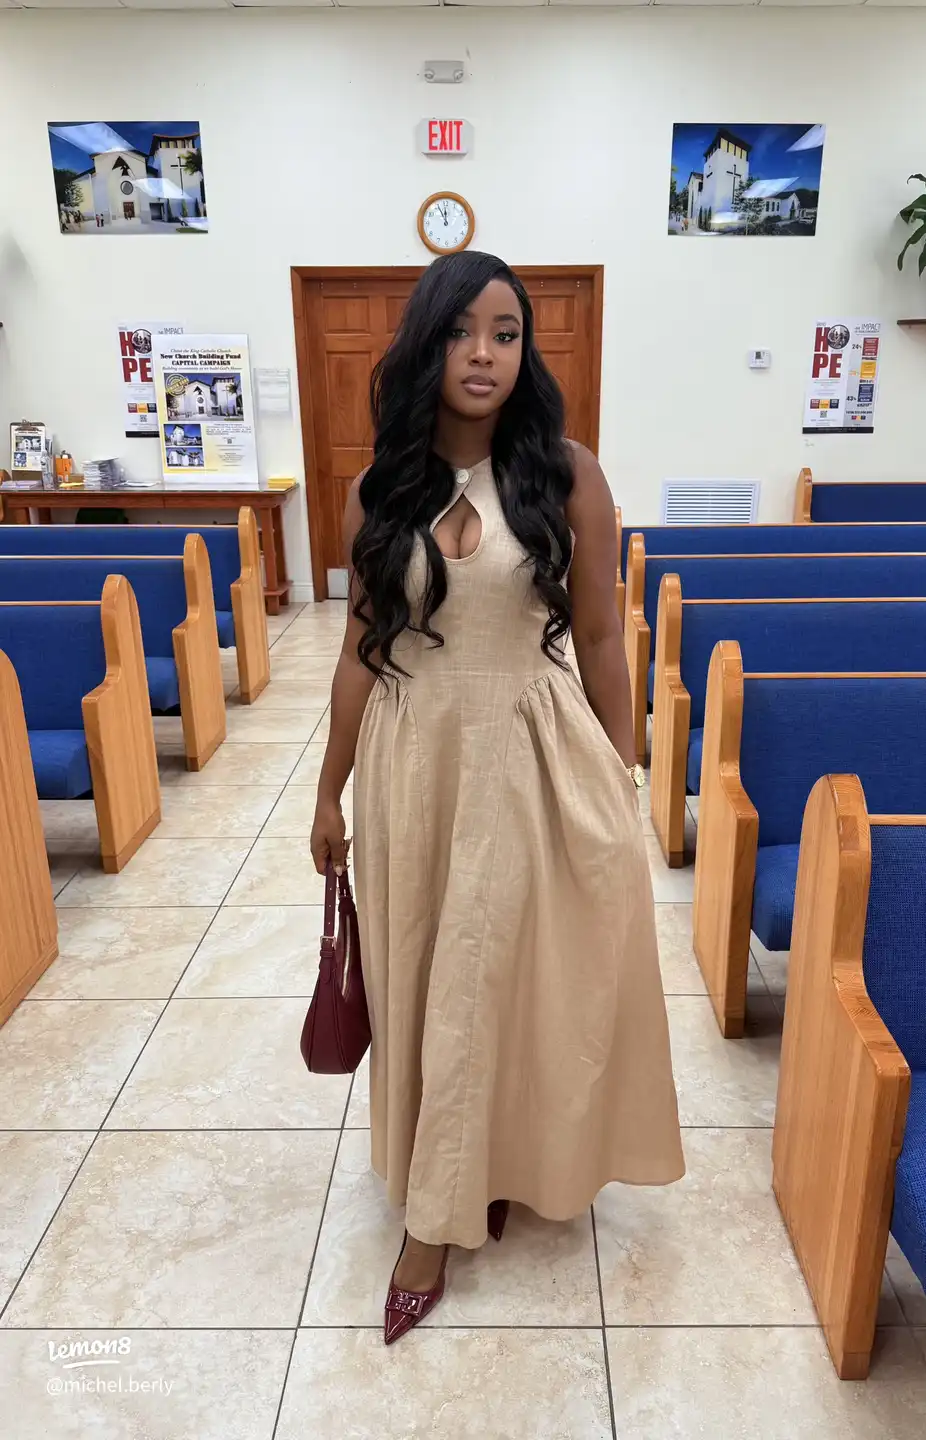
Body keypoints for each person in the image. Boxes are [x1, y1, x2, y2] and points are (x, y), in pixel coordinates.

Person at [310, 251, 684, 1347]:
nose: (485, 354)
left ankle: (442, 1216)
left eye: (507, 333)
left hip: (533, 752)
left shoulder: (567, 475)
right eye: (463, 332)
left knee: (511, 973)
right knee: (426, 967)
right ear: (427, 345)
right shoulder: (380, 487)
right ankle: (457, 1170)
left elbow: (607, 639)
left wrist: (623, 773)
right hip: (412, 764)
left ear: (527, 351)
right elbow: (355, 651)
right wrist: (327, 794)